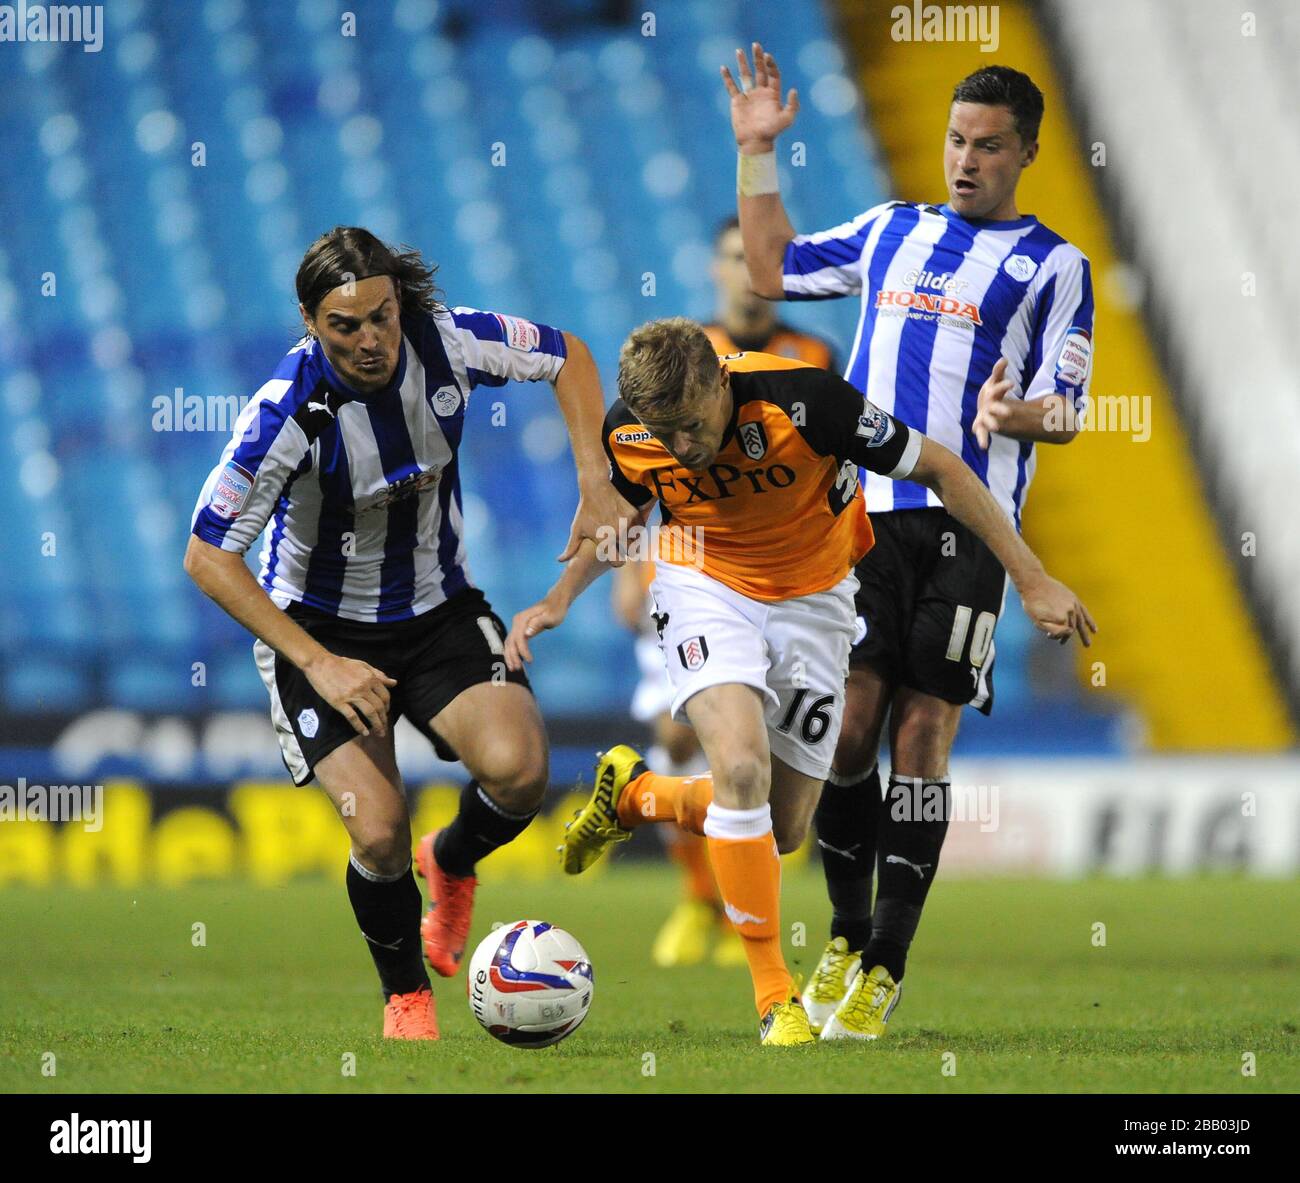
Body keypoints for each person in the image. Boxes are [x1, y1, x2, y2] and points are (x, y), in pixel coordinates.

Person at [503, 317, 1094, 1046]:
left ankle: (638, 793)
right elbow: (624, 515)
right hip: (703, 583)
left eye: (691, 426)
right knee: (742, 764)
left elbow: (941, 467)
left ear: (721, 379)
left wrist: (1031, 577)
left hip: (817, 601)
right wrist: (558, 599)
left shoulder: (807, 401)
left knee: (781, 826)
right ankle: (774, 997)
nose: (681, 447)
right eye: (666, 433)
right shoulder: (631, 431)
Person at [722, 47, 1095, 1037]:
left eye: (987, 147)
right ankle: (846, 930)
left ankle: (885, 964)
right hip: (853, 514)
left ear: (1026, 155)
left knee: (922, 733)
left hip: (968, 526)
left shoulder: (1056, 266)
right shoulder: (892, 231)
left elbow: (1066, 410)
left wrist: (1017, 417)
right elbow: (769, 267)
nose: (965, 161)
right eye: (955, 140)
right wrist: (758, 152)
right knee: (845, 731)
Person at [184, 226, 631, 1039]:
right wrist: (318, 664)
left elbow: (567, 353)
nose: (369, 340)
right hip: (320, 632)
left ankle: (452, 859)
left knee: (522, 771)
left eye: (381, 316)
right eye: (344, 326)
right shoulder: (286, 414)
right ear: (312, 325)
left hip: (439, 609)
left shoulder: (448, 341)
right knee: (379, 828)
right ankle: (407, 997)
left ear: (400, 301)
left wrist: (594, 480)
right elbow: (207, 554)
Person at [615, 216, 839, 970]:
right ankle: (697, 902)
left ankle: (667, 820)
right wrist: (625, 569)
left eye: (760, 260)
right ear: (712, 270)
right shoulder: (684, 361)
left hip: (794, 578)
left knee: (774, 802)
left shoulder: (813, 359)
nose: (746, 273)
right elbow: (637, 481)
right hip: (696, 572)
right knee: (686, 739)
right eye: (733, 259)